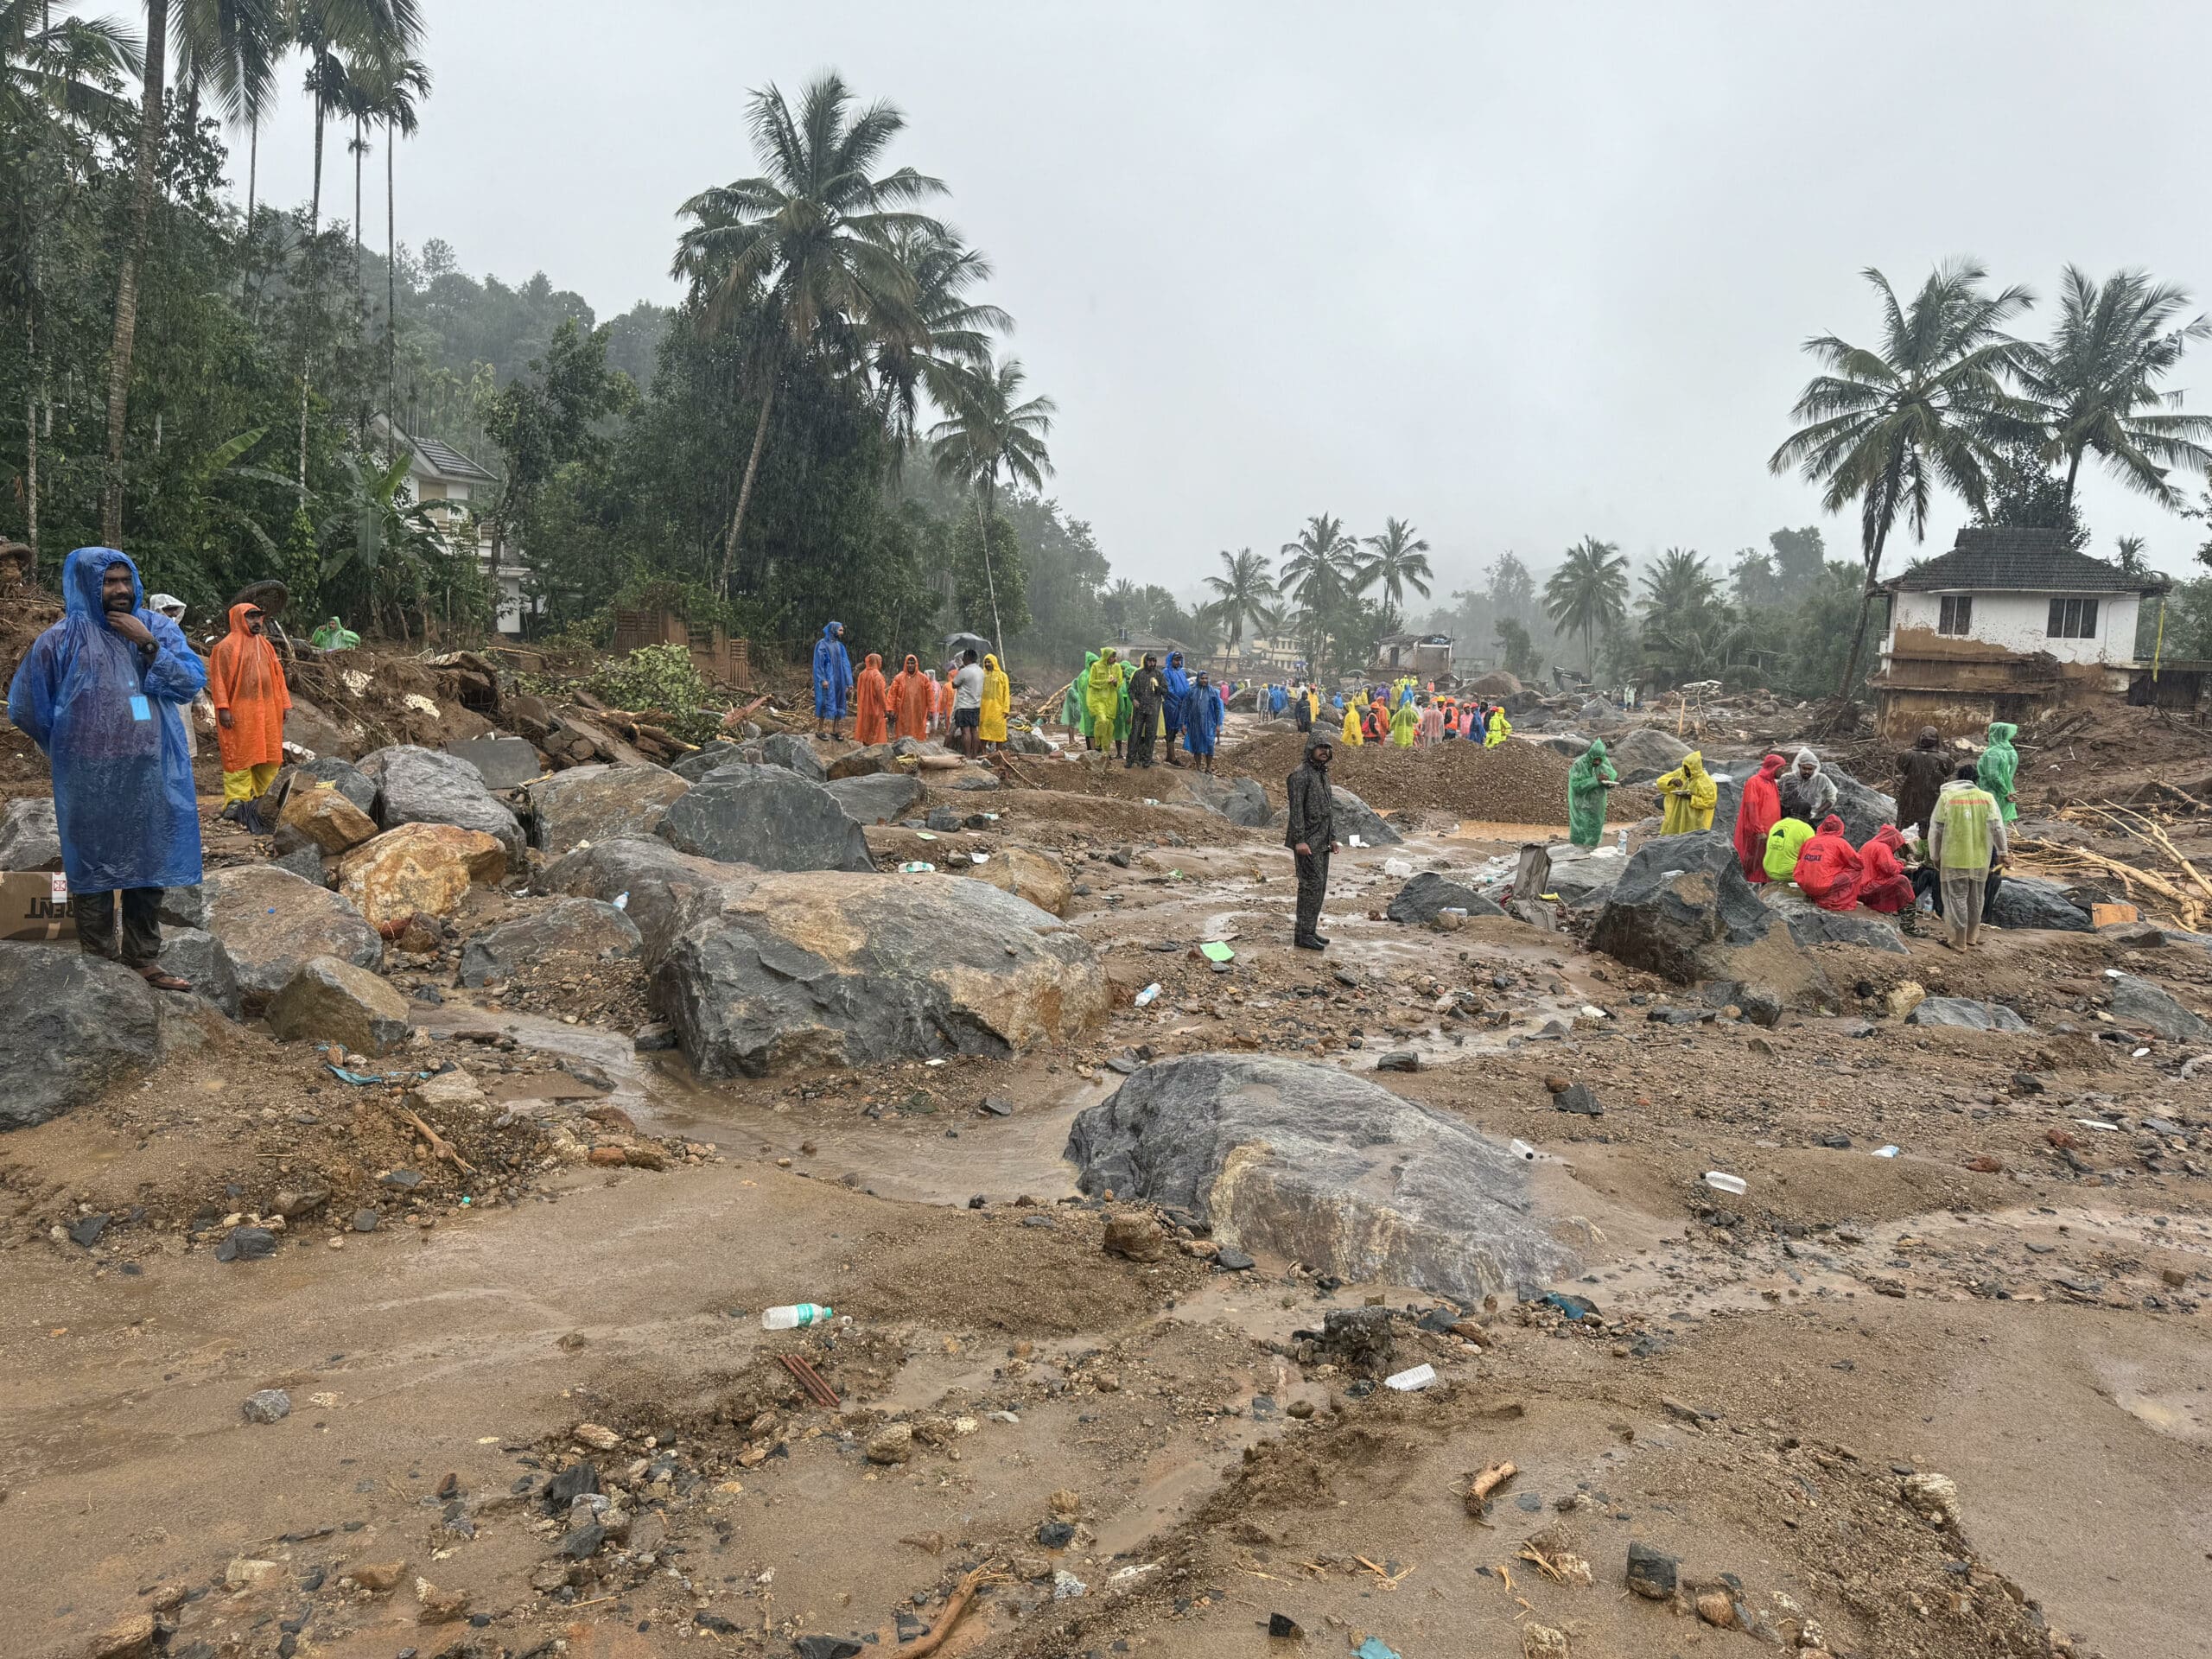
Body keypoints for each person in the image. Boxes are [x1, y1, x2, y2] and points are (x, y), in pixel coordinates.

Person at [7, 548, 204, 989]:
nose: (119, 590)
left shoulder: (156, 629)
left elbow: (190, 682)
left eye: (125, 580)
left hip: (152, 770)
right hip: (90, 777)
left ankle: (143, 959)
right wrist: (68, 744)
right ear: (86, 585)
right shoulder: (59, 640)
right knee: (93, 864)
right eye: (109, 582)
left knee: (149, 859)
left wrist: (146, 643)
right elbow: (24, 706)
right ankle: (99, 959)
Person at [207, 600, 290, 832]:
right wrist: (223, 708)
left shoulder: (266, 645)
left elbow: (278, 676)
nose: (256, 621)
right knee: (241, 753)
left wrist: (283, 704)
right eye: (251, 616)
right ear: (238, 618)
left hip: (268, 711)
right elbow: (219, 681)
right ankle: (237, 801)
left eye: (258, 616)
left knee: (268, 754)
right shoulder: (226, 647)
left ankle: (267, 797)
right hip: (240, 712)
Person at [1929, 762, 2008, 949]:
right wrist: (2003, 852)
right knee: (1976, 898)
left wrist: (1935, 855)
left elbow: (1937, 829)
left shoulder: (1948, 797)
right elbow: (1997, 827)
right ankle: (1972, 936)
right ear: (1976, 779)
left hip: (1954, 857)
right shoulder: (1986, 798)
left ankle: (1958, 940)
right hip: (1980, 858)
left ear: (1958, 779)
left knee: (1957, 898)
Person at [1285, 738, 1339, 950]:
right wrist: (1299, 840)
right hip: (1306, 842)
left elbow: (1328, 809)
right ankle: (1302, 935)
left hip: (1322, 841)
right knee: (1309, 886)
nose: (1324, 751)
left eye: (1327, 748)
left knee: (1319, 887)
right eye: (1320, 748)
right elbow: (1296, 811)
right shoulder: (1300, 775)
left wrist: (1332, 837)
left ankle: (1309, 929)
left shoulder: (1322, 773)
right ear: (1310, 749)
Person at [146, 594, 213, 761]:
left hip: (177, 697)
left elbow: (188, 668)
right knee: (148, 733)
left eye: (175, 612)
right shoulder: (141, 633)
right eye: (168, 611)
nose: (173, 616)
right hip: (148, 696)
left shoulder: (177, 638)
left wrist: (198, 701)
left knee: (180, 730)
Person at [1793, 814, 1864, 911]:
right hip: (1822, 886)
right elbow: (1859, 863)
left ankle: (1812, 893)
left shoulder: (1810, 841)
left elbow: (1800, 860)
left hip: (1804, 883)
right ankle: (1831, 899)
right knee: (1856, 872)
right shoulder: (1840, 843)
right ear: (1840, 828)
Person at [1894, 726, 1950, 845]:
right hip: (1933, 796)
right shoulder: (1944, 758)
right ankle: (1928, 851)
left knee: (1907, 824)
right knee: (1931, 824)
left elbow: (1902, 768)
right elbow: (1949, 771)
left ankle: (1905, 849)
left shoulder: (1907, 755)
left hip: (1911, 796)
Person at [1734, 753, 1787, 881]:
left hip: (1770, 830)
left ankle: (1763, 884)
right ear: (1773, 768)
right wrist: (1759, 831)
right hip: (1757, 832)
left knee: (1765, 859)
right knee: (1753, 860)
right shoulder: (1754, 782)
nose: (1783, 771)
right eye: (1781, 768)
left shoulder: (1771, 783)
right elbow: (1751, 808)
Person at [1566, 738, 1618, 848]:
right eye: (1595, 760)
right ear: (1590, 755)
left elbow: (1611, 775)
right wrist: (1596, 780)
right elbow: (1576, 786)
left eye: (1599, 760)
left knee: (1596, 825)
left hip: (1597, 802)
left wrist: (1608, 783)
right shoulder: (1579, 765)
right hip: (1580, 803)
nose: (1597, 762)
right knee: (1580, 826)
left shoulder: (1604, 763)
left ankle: (1591, 850)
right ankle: (1576, 850)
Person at [1654, 749, 1717, 833]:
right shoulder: (1681, 773)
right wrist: (1671, 781)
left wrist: (1692, 798)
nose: (1687, 771)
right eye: (1685, 768)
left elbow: (1710, 803)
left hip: (1694, 817)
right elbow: (1660, 782)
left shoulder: (1705, 781)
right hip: (1677, 813)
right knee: (1674, 833)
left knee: (1692, 837)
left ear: (1695, 767)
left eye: (1689, 769)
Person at [1857, 824, 1916, 914]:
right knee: (1902, 880)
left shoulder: (1869, 844)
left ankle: (1895, 909)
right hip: (1867, 889)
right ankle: (1908, 914)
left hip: (1859, 888)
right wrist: (1901, 864)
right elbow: (1891, 870)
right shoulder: (1883, 848)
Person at [811, 620, 854, 739]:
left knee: (840, 701)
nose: (842, 633)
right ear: (833, 630)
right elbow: (819, 664)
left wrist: (849, 681)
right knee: (824, 702)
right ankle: (820, 729)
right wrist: (822, 679)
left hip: (839, 679)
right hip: (828, 679)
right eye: (840, 630)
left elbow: (846, 664)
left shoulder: (840, 646)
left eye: (842, 631)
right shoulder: (822, 644)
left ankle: (835, 729)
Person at [1126, 653, 1168, 768]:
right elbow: (1130, 689)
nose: (1152, 664)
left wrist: (1158, 687)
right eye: (1149, 661)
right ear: (1145, 661)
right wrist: (1133, 699)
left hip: (1153, 709)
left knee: (1150, 735)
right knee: (1135, 734)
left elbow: (1166, 691)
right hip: (1139, 708)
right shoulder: (1138, 674)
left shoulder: (1159, 675)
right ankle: (1130, 758)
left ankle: (1147, 759)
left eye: (1154, 661)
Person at [1777, 747, 1837, 826]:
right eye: (1804, 768)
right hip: (1786, 817)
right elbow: (1776, 795)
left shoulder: (1822, 779)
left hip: (1810, 819)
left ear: (1815, 768)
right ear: (1799, 766)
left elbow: (1831, 798)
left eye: (1810, 769)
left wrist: (1816, 811)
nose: (1807, 771)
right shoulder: (1787, 778)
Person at [1977, 721, 2020, 823]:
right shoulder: (2011, 751)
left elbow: (1993, 776)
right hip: (2007, 789)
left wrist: (2004, 792)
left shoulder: (1992, 753)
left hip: (1992, 792)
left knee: (1989, 823)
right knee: (2001, 824)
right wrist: (2007, 791)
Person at [1085, 647, 1125, 757]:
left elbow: (1120, 683)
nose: (1114, 659)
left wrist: (1115, 683)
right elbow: (1091, 682)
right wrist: (1106, 681)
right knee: (1102, 720)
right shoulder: (1096, 666)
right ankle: (1098, 744)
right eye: (1112, 657)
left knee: (1109, 726)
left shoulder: (1117, 667)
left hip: (1111, 700)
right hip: (1098, 699)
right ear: (1107, 656)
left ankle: (1106, 751)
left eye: (1115, 657)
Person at [950, 647, 986, 760]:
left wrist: (961, 670)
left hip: (964, 705)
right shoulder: (981, 671)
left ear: (967, 658)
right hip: (976, 705)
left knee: (965, 731)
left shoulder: (964, 671)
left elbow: (954, 684)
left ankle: (967, 754)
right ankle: (974, 754)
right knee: (974, 730)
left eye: (964, 658)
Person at [1185, 671, 1224, 774]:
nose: (1204, 681)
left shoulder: (1212, 692)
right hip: (1195, 723)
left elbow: (1218, 709)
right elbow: (1186, 708)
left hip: (1209, 723)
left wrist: (1218, 724)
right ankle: (1198, 766)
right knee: (1196, 744)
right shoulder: (1192, 691)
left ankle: (1209, 766)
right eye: (1202, 678)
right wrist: (1184, 723)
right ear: (1198, 679)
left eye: (1206, 678)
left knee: (1210, 744)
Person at [889, 653, 931, 741]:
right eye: (908, 663)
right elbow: (892, 695)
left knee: (918, 732)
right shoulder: (899, 678)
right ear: (905, 664)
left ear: (916, 664)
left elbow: (930, 695)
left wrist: (931, 710)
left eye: (912, 663)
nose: (910, 665)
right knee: (903, 733)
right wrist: (891, 710)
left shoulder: (924, 679)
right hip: (903, 712)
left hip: (918, 711)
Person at [1764, 815, 1815, 884]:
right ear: (1808, 817)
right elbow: (1813, 853)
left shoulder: (1778, 824)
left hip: (1769, 870)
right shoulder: (1806, 828)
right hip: (1790, 874)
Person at [1160, 650, 1191, 766]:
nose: (1178, 662)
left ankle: (1171, 755)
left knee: (1175, 729)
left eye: (1179, 660)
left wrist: (1187, 699)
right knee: (1170, 729)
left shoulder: (1182, 673)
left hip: (1181, 705)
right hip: (1171, 705)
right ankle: (1171, 756)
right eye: (1176, 660)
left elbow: (1186, 686)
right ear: (1171, 660)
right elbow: (1168, 688)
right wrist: (1177, 700)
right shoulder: (1166, 672)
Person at [853, 652, 890, 746]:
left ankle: (865, 747)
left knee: (865, 730)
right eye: (880, 661)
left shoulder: (862, 675)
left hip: (864, 708)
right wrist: (886, 708)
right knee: (875, 732)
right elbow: (880, 694)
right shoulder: (878, 676)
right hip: (875, 709)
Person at [978, 652, 1011, 751]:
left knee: (999, 734)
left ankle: (998, 754)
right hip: (985, 710)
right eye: (986, 662)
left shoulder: (1003, 676)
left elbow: (1006, 693)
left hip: (998, 710)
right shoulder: (982, 675)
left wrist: (1006, 709)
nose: (987, 664)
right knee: (983, 733)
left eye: (989, 662)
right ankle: (983, 753)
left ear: (994, 662)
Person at [1064, 652, 1096, 740]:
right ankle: (1071, 740)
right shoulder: (1072, 690)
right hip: (1072, 711)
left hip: (1077, 710)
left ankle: (1072, 740)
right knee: (1072, 726)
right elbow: (1076, 698)